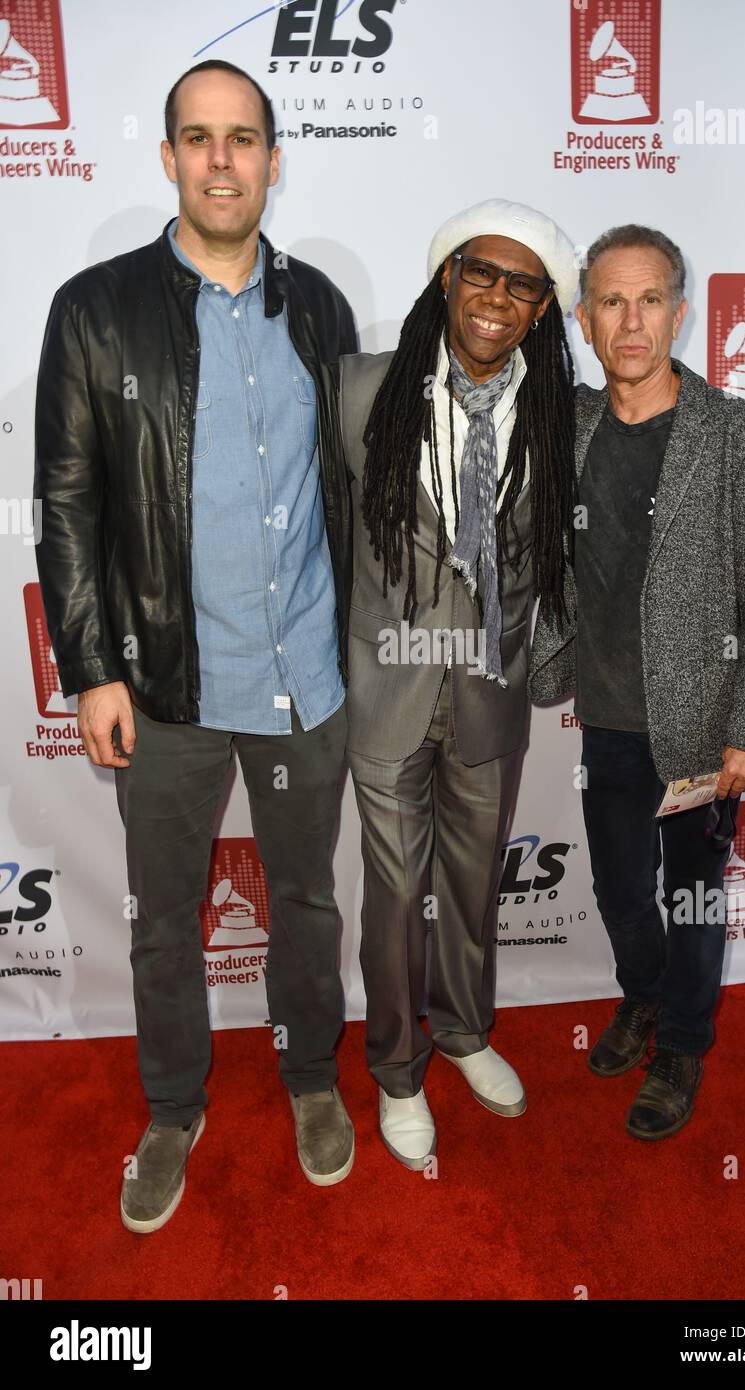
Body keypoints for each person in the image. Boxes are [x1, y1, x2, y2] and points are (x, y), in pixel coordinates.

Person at [34, 60, 358, 1231]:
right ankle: (172, 1106)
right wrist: (91, 669)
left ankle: (314, 1079)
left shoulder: (317, 305)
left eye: (243, 139)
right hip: (164, 687)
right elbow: (64, 500)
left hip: (303, 679)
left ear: (274, 157)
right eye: (199, 138)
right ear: (168, 157)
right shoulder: (95, 306)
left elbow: (344, 486)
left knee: (309, 904)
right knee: (166, 918)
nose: (223, 160)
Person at [530, 224, 745, 1140]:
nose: (630, 320)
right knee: (617, 889)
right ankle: (641, 997)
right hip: (605, 719)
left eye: (649, 300)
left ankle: (682, 1043)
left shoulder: (735, 435)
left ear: (679, 315)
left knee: (692, 893)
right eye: (610, 301)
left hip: (701, 722)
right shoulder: (566, 424)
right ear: (584, 319)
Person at [338, 200, 579, 1168]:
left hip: (492, 694)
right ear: (446, 278)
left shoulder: (563, 413)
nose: (496, 297)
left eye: (523, 286)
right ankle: (397, 1071)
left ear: (542, 309)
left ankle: (467, 1032)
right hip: (383, 693)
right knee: (396, 897)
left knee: (472, 887)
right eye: (481, 273)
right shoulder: (359, 392)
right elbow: (315, 537)